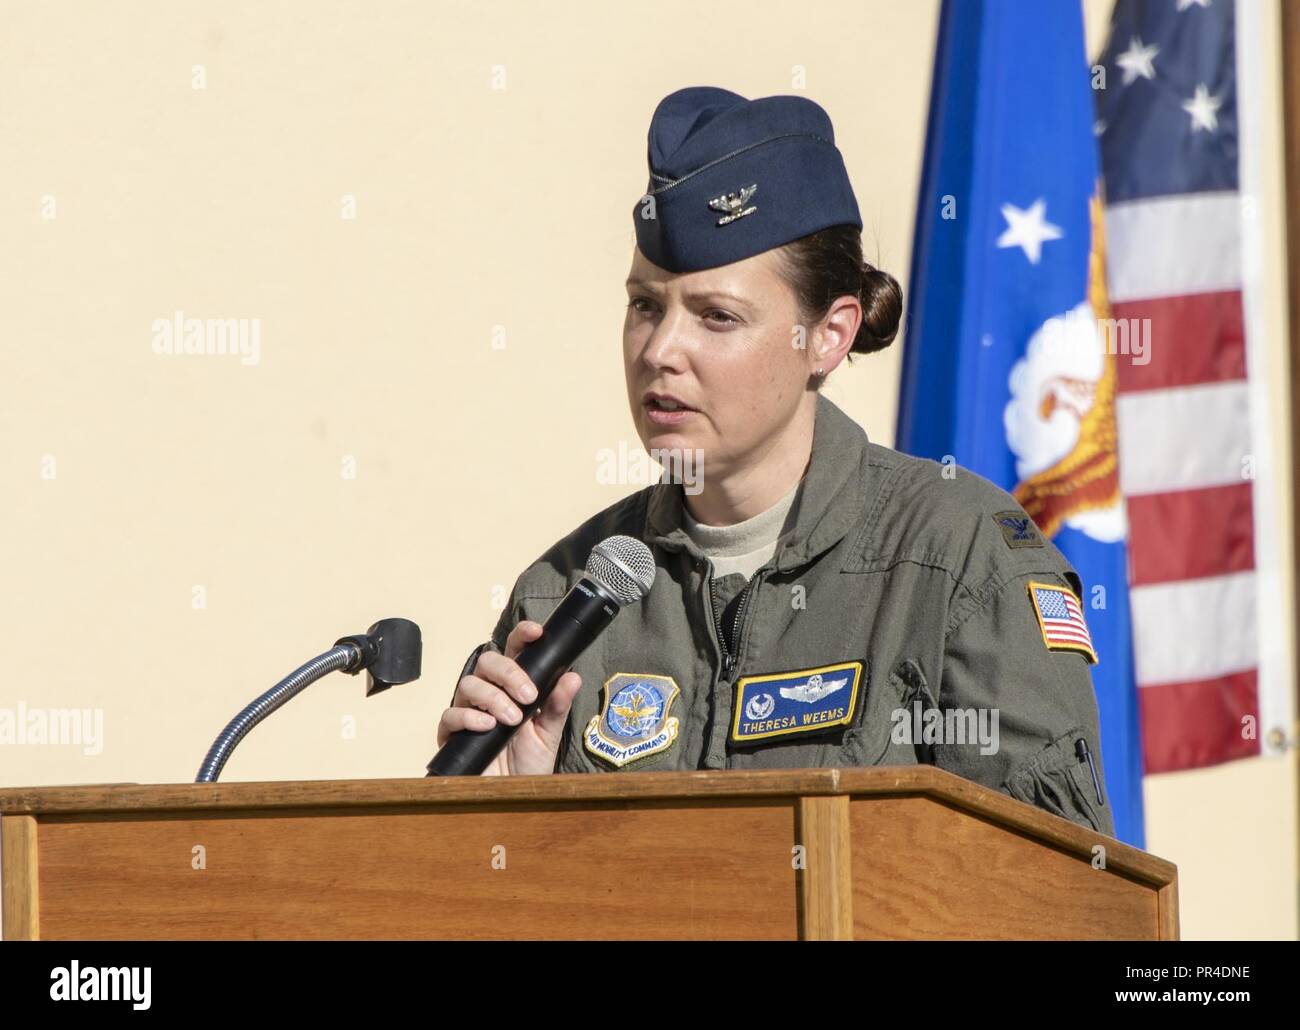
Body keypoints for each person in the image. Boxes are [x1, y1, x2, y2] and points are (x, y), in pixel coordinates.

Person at [434, 85, 1114, 837]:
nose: (661, 352)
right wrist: (510, 815)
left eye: (717, 317)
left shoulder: (957, 561)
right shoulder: (563, 595)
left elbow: (1057, 883)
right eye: (646, 306)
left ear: (829, 335)